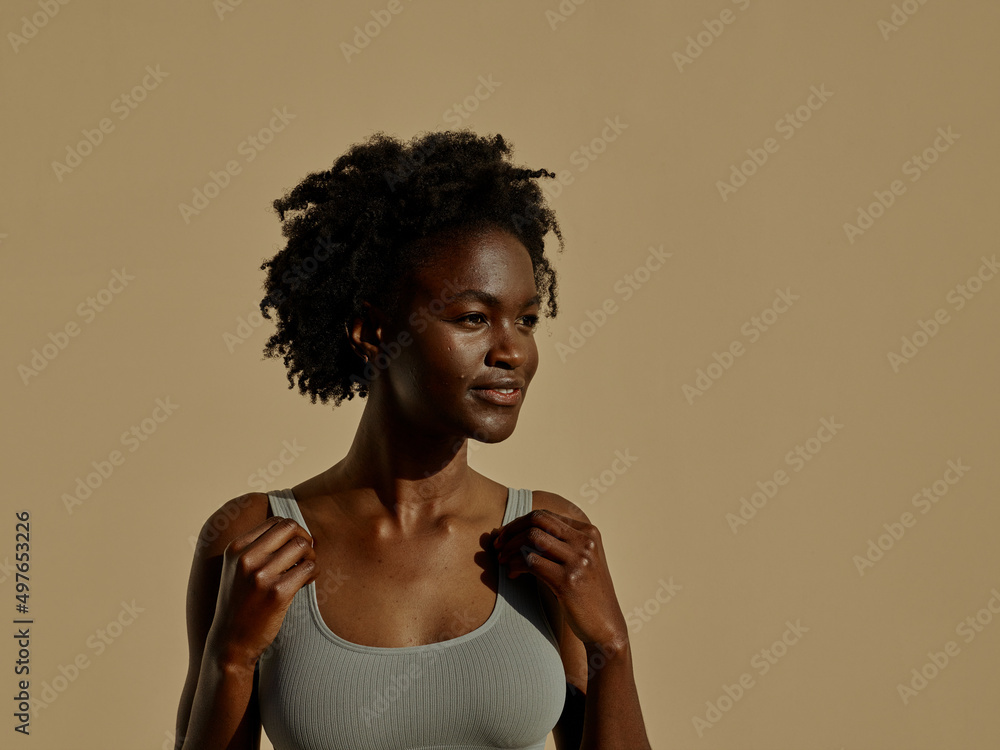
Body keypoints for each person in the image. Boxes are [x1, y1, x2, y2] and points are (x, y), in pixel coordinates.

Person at [174, 130, 651, 749]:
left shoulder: (547, 538)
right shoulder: (254, 541)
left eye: (526, 320)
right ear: (374, 332)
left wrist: (612, 645)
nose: (512, 351)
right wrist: (230, 660)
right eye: (473, 318)